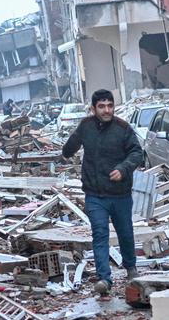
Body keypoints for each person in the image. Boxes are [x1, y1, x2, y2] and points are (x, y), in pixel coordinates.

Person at [61, 89, 145, 289]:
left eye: (110, 106)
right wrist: (68, 150)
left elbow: (137, 153)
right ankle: (104, 279)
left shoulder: (123, 128)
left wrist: (123, 169)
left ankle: (131, 268)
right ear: (93, 109)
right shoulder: (86, 126)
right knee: (100, 233)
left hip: (120, 193)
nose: (107, 110)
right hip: (95, 194)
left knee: (125, 232)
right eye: (102, 106)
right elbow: (69, 148)